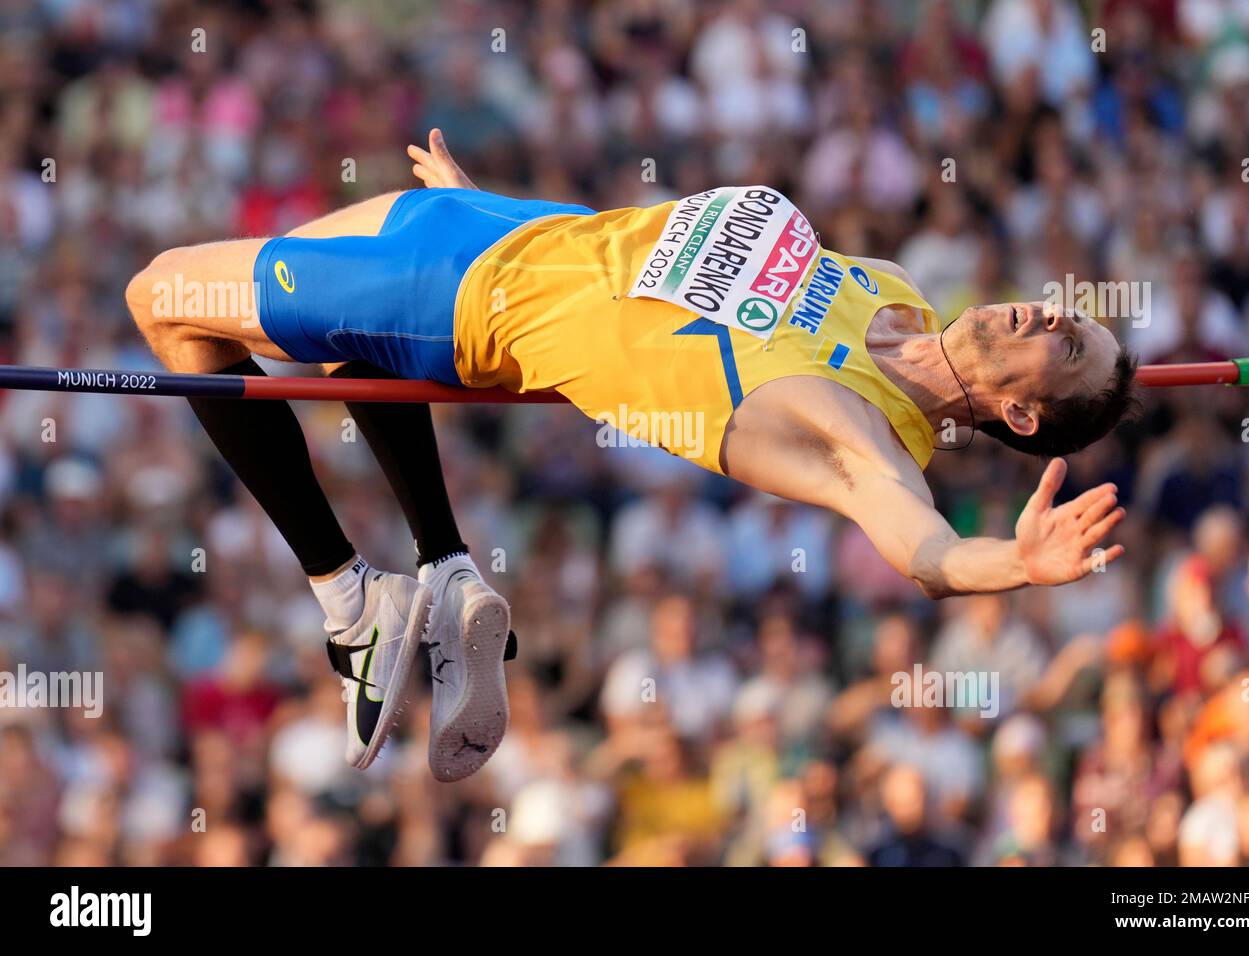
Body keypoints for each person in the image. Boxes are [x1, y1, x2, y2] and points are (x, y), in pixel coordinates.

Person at [124, 130, 1137, 780]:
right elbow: (654, 266)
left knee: (162, 296)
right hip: (492, 228)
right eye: (1072, 315)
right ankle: (442, 566)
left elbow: (919, 546)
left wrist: (1012, 561)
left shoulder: (851, 426)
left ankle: (350, 599)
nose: (1054, 311)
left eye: (1069, 343)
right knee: (323, 336)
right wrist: (491, 207)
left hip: (456, 295)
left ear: (1015, 412)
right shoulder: (892, 287)